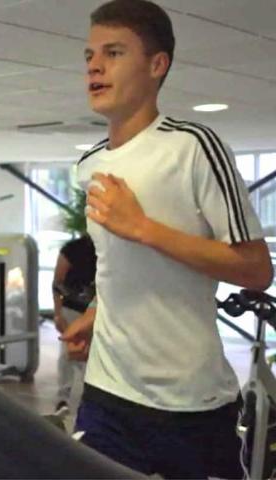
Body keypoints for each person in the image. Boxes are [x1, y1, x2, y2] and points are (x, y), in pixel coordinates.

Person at [61, 1, 274, 478]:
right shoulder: (89, 165)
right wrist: (95, 315)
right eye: (90, 55)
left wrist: (144, 228)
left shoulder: (193, 146)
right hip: (108, 393)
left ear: (157, 65)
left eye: (114, 53)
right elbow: (115, 267)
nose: (94, 66)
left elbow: (257, 269)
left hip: (191, 404)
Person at [52, 234, 96, 415]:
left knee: (90, 355)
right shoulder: (73, 249)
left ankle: (87, 397)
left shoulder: (105, 249)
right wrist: (58, 313)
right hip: (72, 308)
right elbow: (57, 282)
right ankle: (63, 398)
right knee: (68, 353)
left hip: (92, 309)